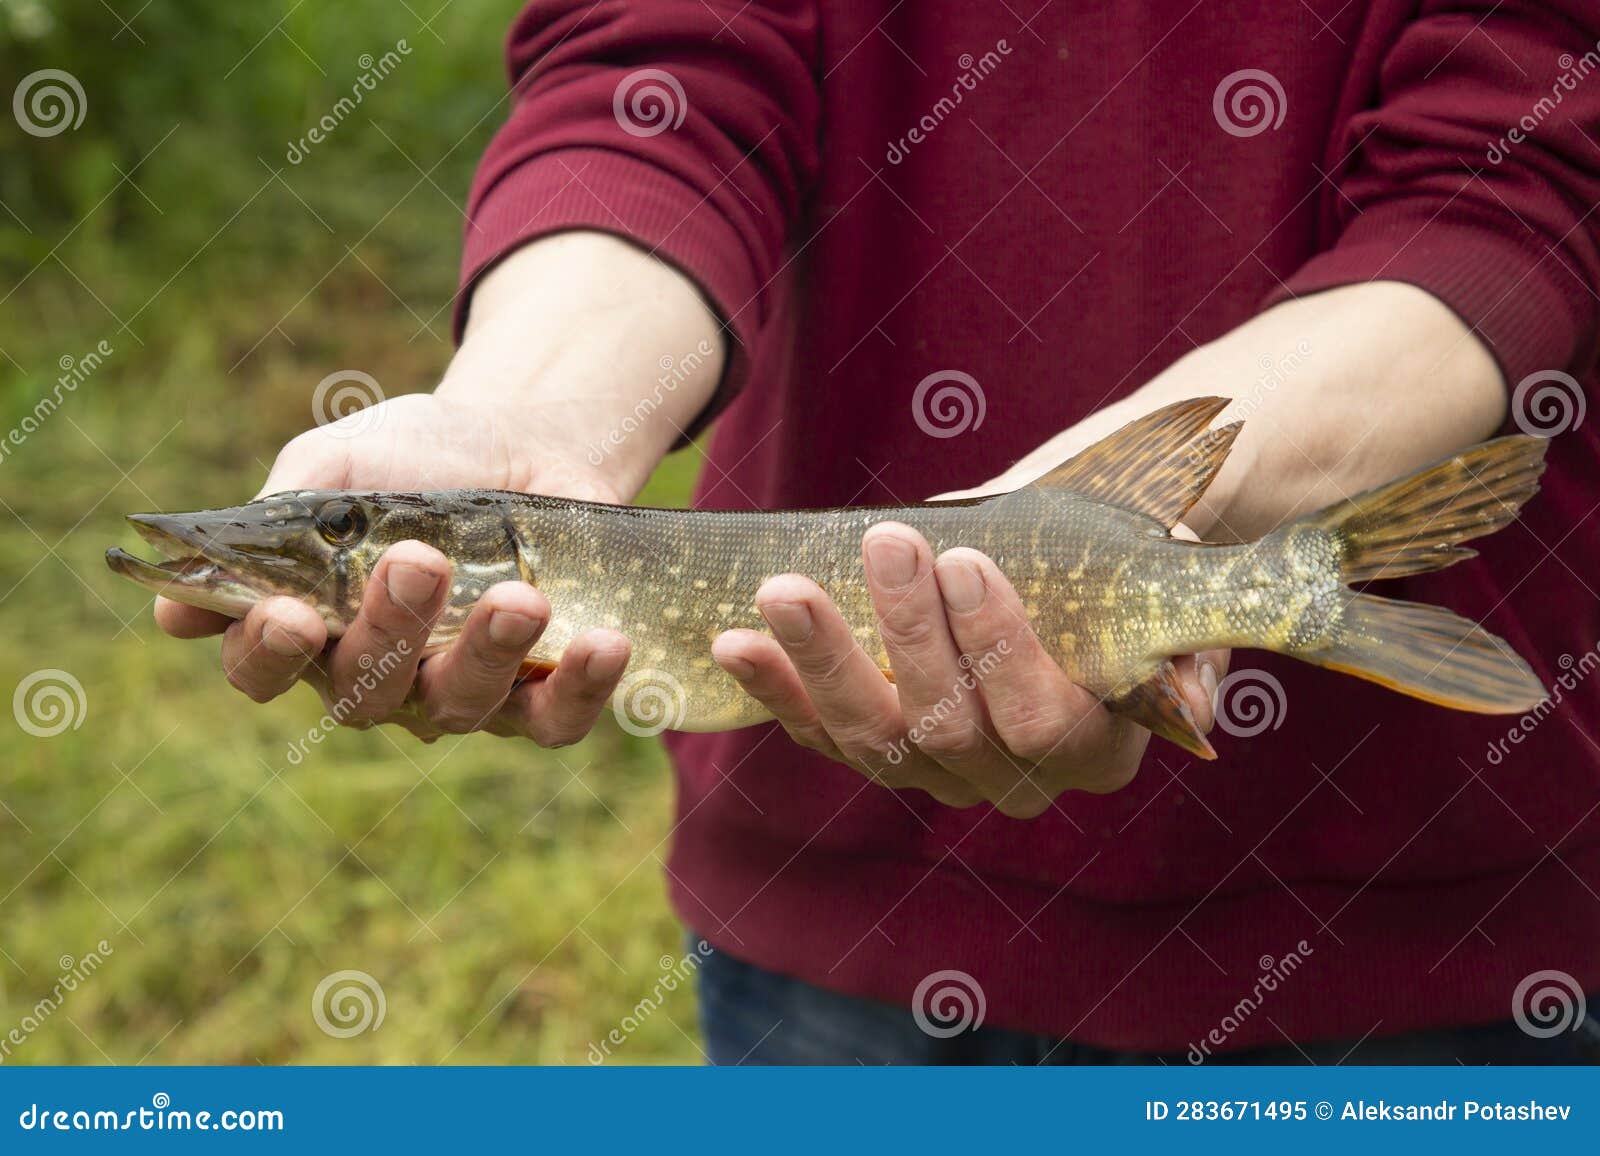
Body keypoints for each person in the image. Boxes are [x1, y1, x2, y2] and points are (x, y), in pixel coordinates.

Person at [159, 2, 1600, 1063]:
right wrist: (528, 424)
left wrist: (1103, 514)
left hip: (1436, 944)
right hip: (842, 927)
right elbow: (664, 69)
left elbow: (1509, 175)